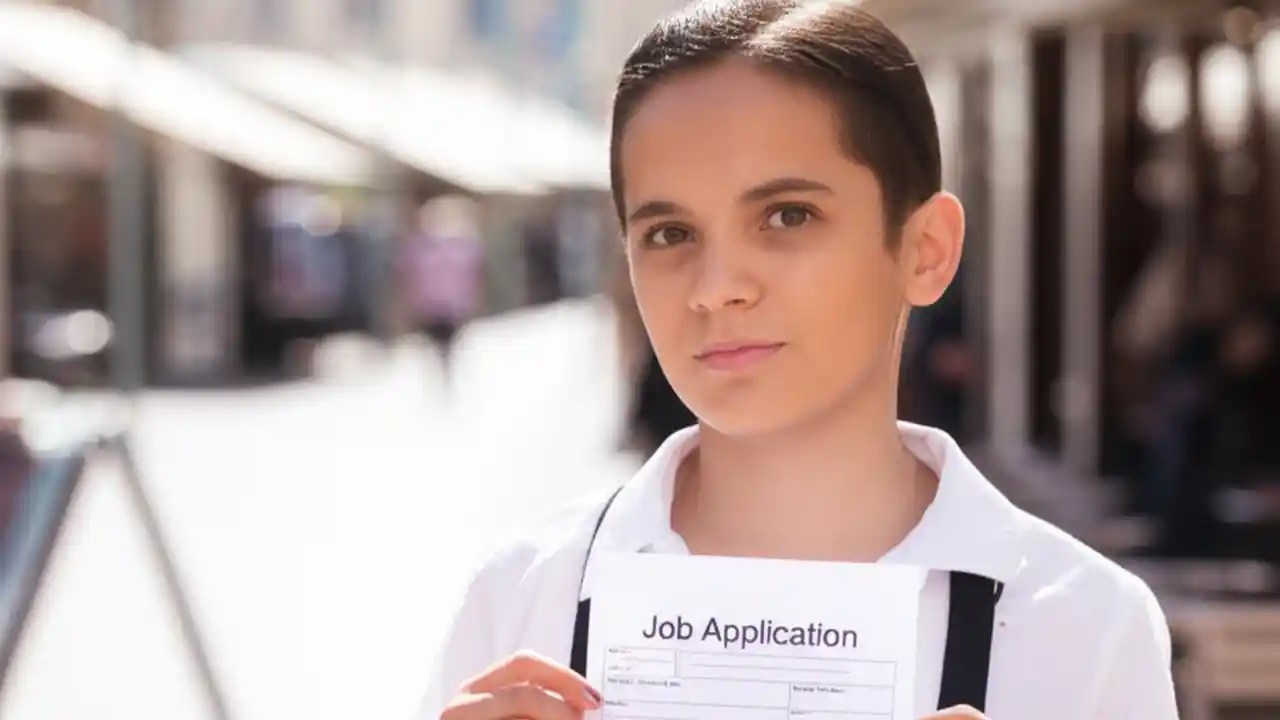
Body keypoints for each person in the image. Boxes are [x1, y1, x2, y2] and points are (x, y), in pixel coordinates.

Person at [422, 2, 1178, 718]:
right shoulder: (520, 603)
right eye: (670, 234)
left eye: (788, 216)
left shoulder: (1085, 630)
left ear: (926, 250)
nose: (717, 289)